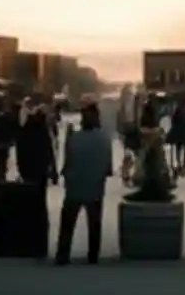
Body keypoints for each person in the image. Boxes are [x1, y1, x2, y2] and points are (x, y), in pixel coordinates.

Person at [55, 102, 113, 265]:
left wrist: (68, 176)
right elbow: (108, 167)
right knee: (94, 223)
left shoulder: (74, 138)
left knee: (68, 223)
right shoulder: (104, 139)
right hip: (95, 188)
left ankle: (63, 253)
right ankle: (93, 254)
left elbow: (67, 163)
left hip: (74, 187)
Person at [0, 102, 19, 184]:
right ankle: (1, 176)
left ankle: (1, 176)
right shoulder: (8, 119)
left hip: (1, 143)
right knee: (2, 160)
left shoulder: (5, 118)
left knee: (1, 160)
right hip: (2, 142)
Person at [167, 102, 185, 177]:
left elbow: (173, 121)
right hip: (184, 134)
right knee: (184, 148)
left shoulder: (177, 113)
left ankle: (178, 163)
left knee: (178, 149)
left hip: (177, 134)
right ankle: (183, 162)